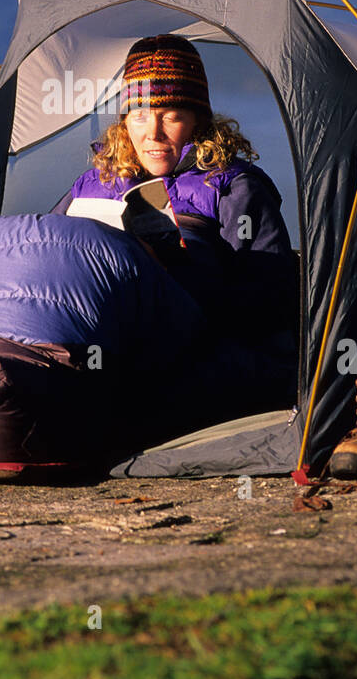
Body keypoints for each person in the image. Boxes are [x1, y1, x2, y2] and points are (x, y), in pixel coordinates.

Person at [52, 34, 299, 417]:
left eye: (171, 116)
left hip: (197, 345)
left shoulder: (233, 186)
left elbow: (269, 296)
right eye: (140, 115)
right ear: (124, 121)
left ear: (198, 120)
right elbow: (47, 251)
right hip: (99, 336)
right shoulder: (94, 182)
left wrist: (182, 276)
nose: (153, 133)